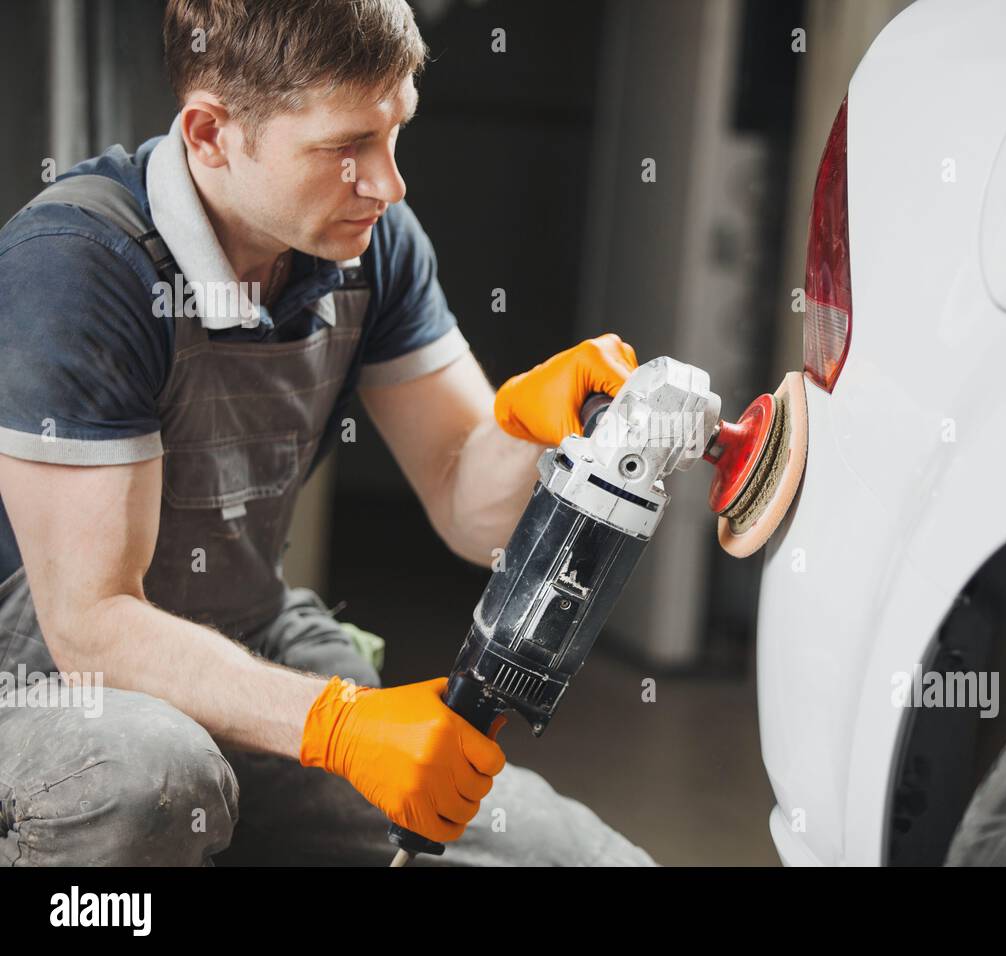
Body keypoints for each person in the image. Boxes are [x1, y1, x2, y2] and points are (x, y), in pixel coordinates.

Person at [0, 0, 652, 866]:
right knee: (150, 778)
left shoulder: (371, 246)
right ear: (210, 134)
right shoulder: (77, 264)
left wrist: (534, 431)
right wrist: (337, 726)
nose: (389, 182)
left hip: (246, 645)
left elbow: (470, 506)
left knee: (573, 860)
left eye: (393, 134)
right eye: (346, 148)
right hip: (47, 684)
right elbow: (92, 625)